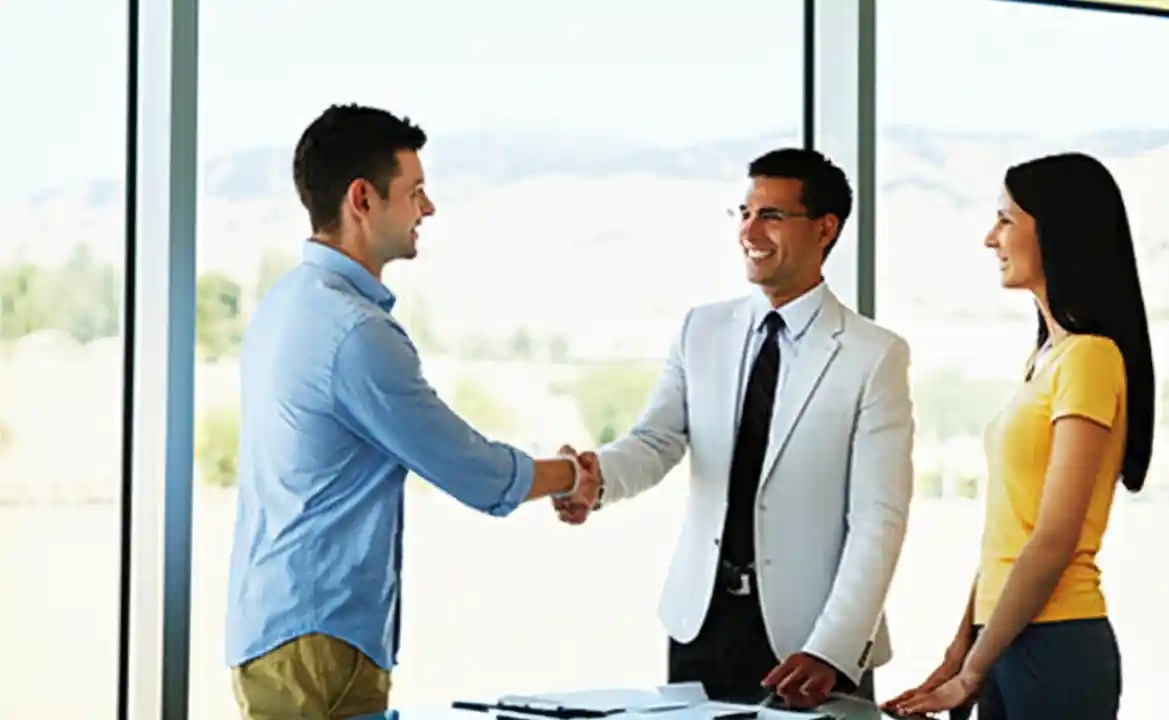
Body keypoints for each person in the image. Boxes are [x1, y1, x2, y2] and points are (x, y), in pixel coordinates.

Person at [224, 103, 600, 720]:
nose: (428, 209)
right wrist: (571, 476)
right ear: (363, 199)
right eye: (416, 192)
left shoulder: (287, 302)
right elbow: (466, 466)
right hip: (320, 640)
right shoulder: (354, 332)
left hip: (282, 628)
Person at [556, 148, 915, 708]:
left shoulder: (873, 355)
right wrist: (595, 477)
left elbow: (878, 519)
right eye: (744, 213)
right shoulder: (702, 329)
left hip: (810, 643)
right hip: (699, 625)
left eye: (771, 215)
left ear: (825, 229)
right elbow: (656, 441)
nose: (750, 229)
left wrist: (834, 648)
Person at [883, 152, 1155, 720]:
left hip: (1055, 645)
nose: (991, 238)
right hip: (1005, 638)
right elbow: (1008, 535)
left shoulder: (1090, 359)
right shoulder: (1046, 359)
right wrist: (962, 652)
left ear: (1054, 230)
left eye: (1005, 220)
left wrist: (975, 667)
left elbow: (1052, 541)